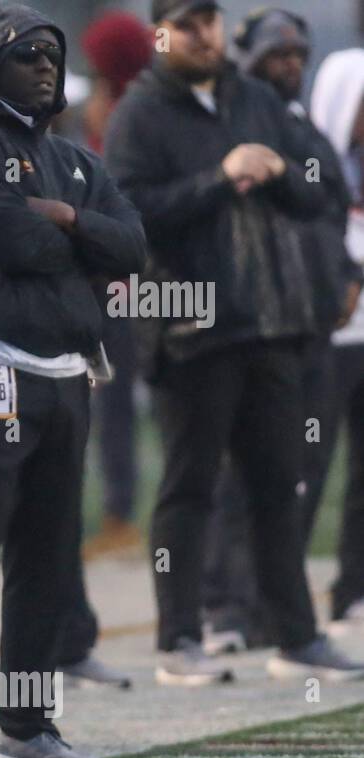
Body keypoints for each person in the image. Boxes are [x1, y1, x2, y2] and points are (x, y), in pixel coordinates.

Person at [104, 0, 364, 685]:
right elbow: (130, 217)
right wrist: (220, 177)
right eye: (187, 22)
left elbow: (322, 186)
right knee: (189, 489)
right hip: (191, 330)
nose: (203, 33)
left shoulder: (254, 98)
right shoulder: (142, 112)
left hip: (270, 324)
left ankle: (295, 636)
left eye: (211, 19)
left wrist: (277, 171)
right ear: (161, 32)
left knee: (279, 485)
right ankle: (179, 639)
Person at [0, 2, 144, 758]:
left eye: (51, 53)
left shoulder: (72, 158)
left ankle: (28, 719)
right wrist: (79, 241)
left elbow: (133, 247)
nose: (45, 66)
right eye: (24, 54)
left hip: (64, 371)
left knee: (48, 555)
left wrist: (71, 218)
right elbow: (8, 240)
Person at [201, 9, 362, 654]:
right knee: (275, 472)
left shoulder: (304, 143)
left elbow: (320, 210)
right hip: (280, 332)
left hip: (328, 328)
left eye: (298, 53)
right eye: (277, 53)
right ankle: (230, 606)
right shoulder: (251, 127)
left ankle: (334, 595)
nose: (289, 64)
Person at [78, 10, 154, 561]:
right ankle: (121, 513)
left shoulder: (119, 112)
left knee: (113, 403)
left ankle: (120, 513)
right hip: (140, 286)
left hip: (115, 289)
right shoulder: (138, 103)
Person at [312, 49, 364, 631]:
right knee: (307, 467)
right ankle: (268, 604)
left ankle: (353, 587)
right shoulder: (311, 164)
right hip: (326, 337)